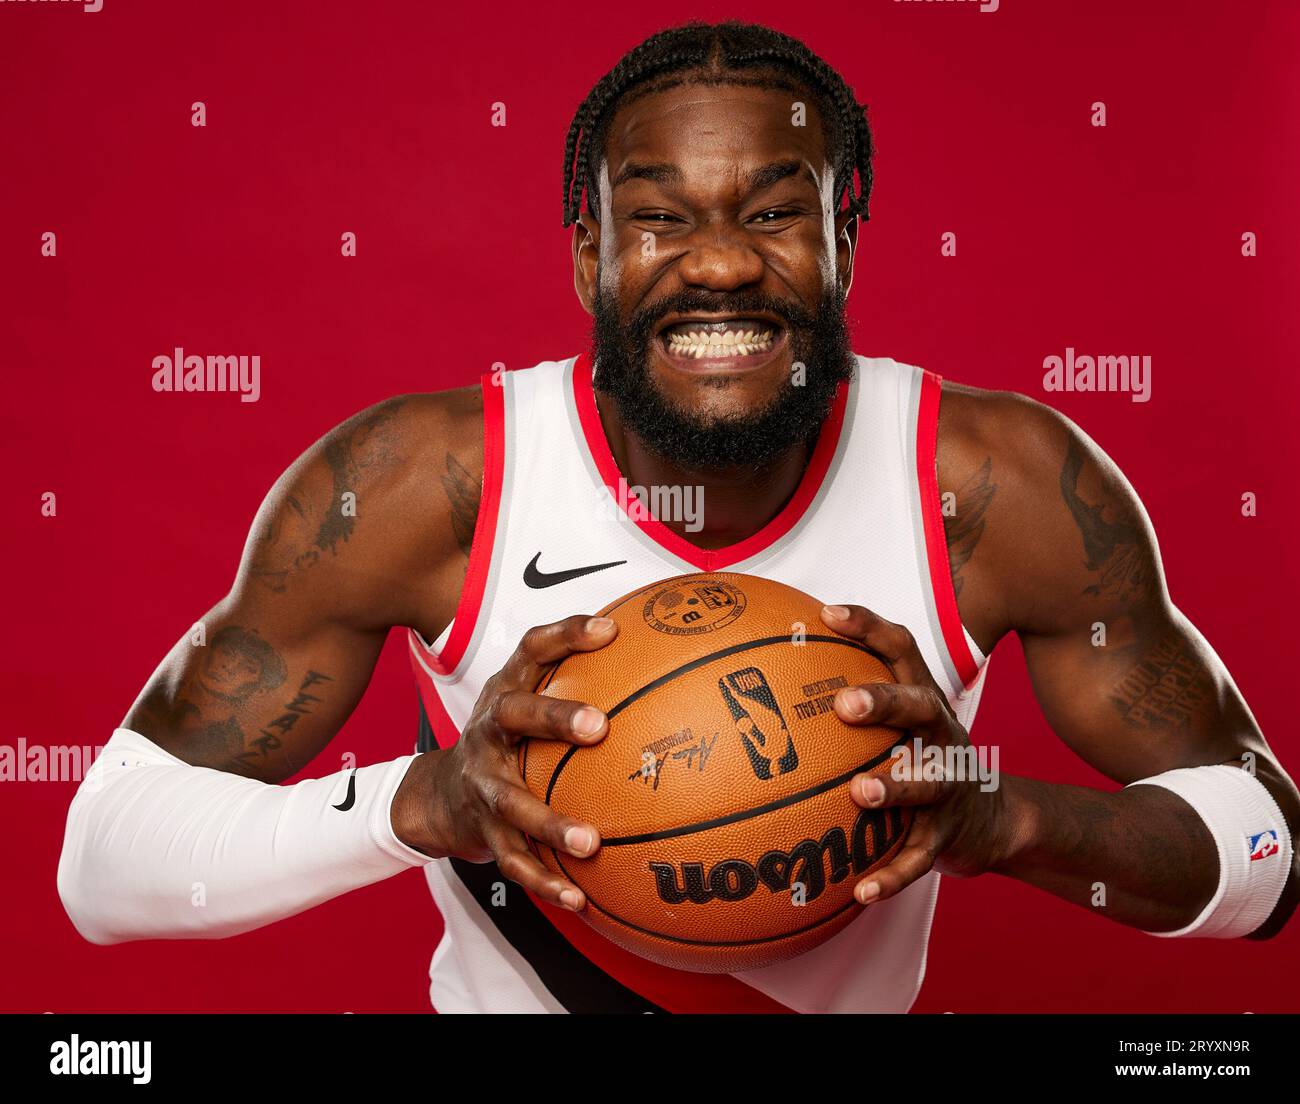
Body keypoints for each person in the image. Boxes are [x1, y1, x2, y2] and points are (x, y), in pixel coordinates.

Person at [58, 20, 1296, 1014]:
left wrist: (999, 812)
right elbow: (105, 862)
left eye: (772, 212)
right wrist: (425, 802)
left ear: (843, 246)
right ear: (587, 255)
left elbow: (1269, 853)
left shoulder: (999, 484)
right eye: (656, 215)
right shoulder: (420, 486)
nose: (717, 264)